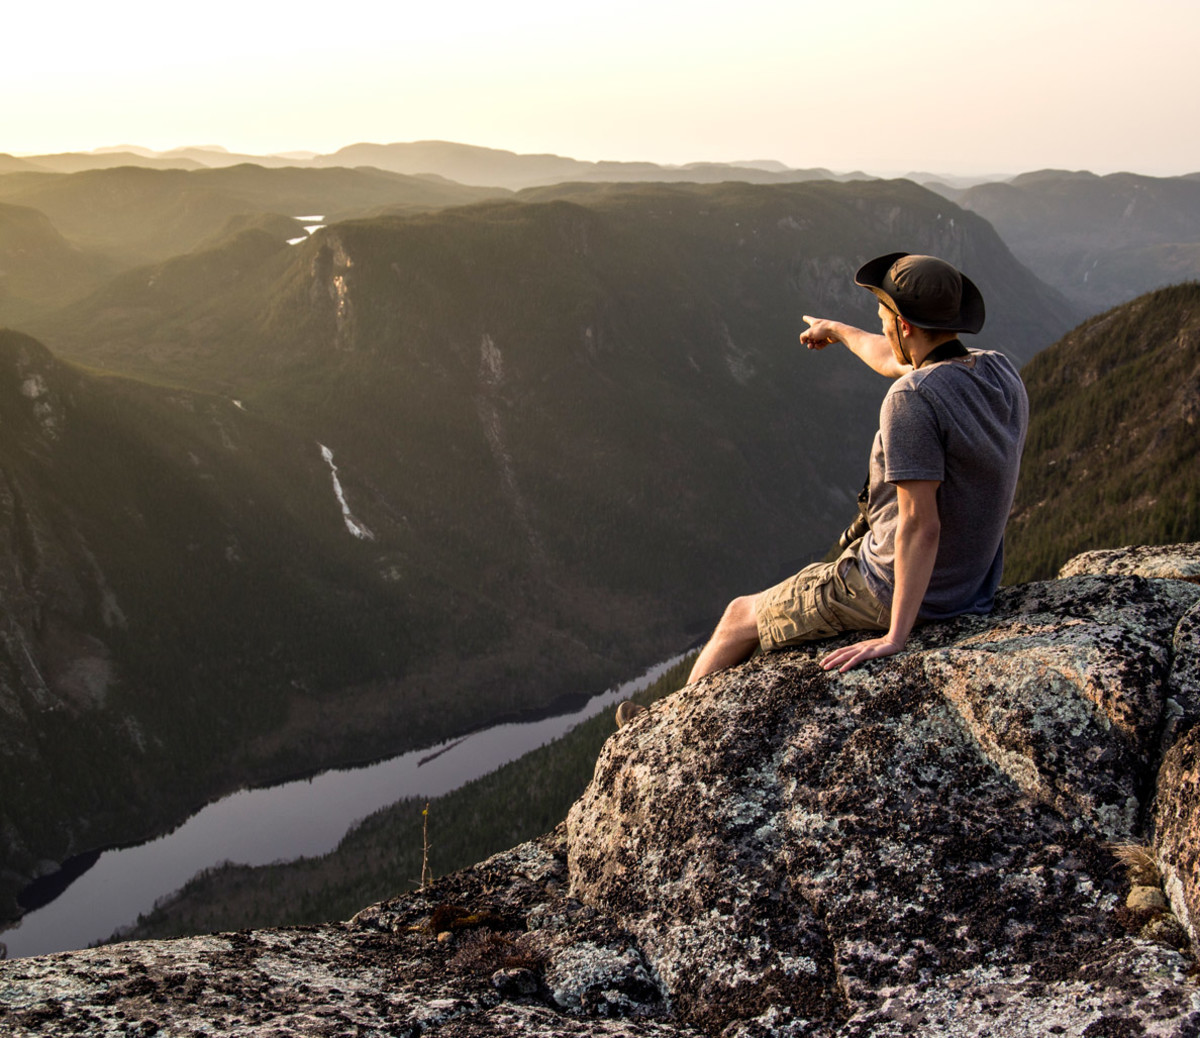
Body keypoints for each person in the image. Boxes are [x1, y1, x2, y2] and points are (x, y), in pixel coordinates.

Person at [687, 252, 1029, 681]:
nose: (882, 324)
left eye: (884, 315)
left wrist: (895, 637)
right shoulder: (998, 371)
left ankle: (656, 733)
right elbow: (891, 356)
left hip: (896, 588)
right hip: (970, 586)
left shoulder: (913, 399)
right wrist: (835, 330)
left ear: (904, 325)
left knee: (739, 615)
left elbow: (920, 524)